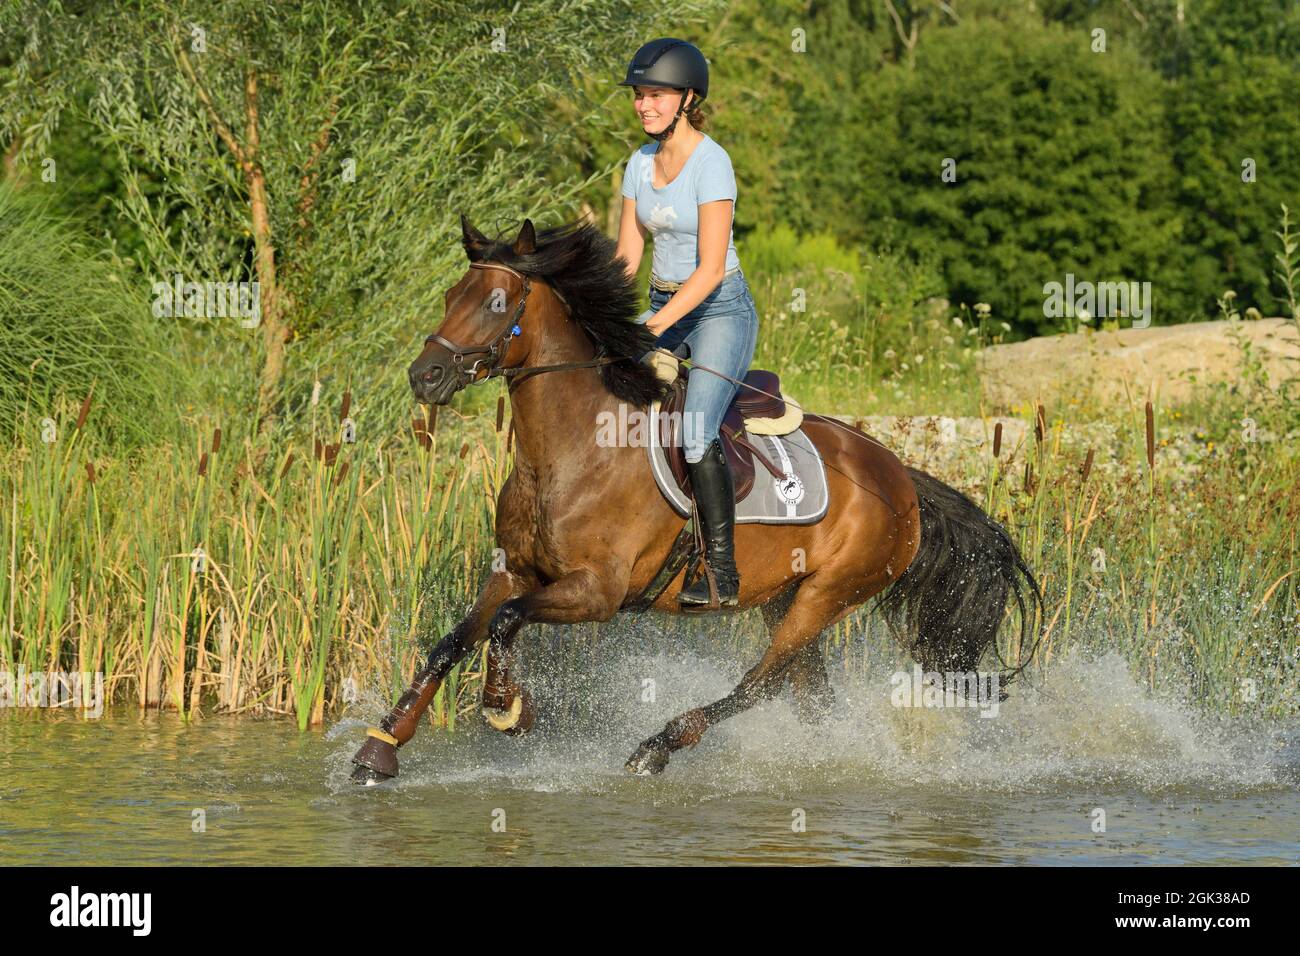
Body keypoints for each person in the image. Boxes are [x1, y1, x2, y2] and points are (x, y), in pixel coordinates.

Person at [615, 37, 759, 609]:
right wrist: (600, 315)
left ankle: (720, 571)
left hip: (719, 307)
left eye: (656, 95)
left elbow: (708, 271)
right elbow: (627, 257)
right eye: (639, 95)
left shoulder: (712, 163)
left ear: (687, 98)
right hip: (662, 303)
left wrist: (651, 331)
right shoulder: (638, 164)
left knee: (697, 435)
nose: (644, 105)